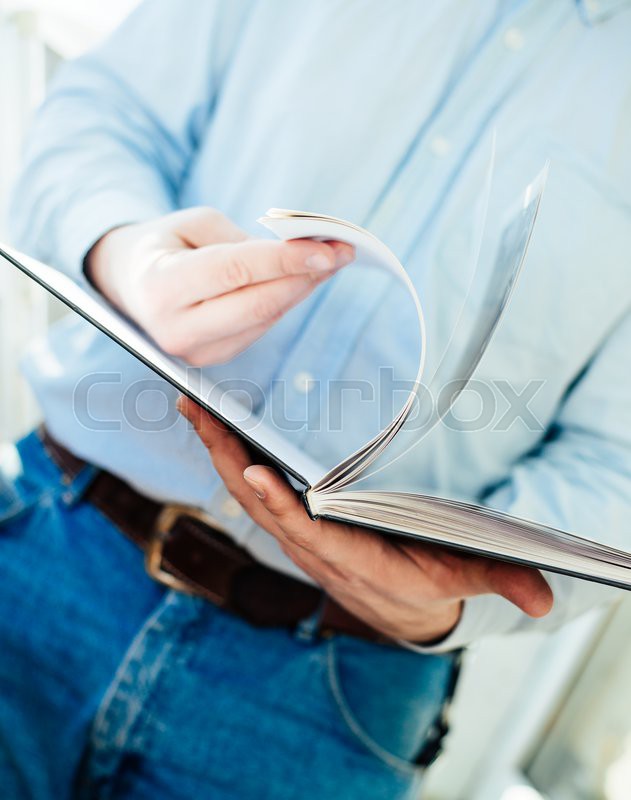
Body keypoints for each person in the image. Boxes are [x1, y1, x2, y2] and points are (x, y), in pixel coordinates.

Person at [2, 1, 631, 798]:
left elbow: (617, 461)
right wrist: (126, 252)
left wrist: (437, 607)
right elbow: (110, 111)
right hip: (48, 542)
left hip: (334, 697)